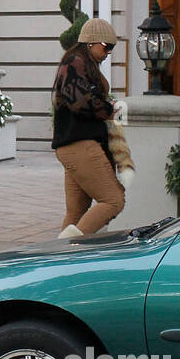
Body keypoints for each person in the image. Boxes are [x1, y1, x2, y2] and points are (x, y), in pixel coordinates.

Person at [52, 18, 125, 238]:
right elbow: (80, 102)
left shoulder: (81, 64)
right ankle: (65, 251)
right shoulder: (74, 62)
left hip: (74, 146)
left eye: (112, 48)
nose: (109, 52)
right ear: (91, 42)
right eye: (106, 46)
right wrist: (108, 109)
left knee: (76, 213)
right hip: (80, 145)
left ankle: (61, 259)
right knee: (114, 200)